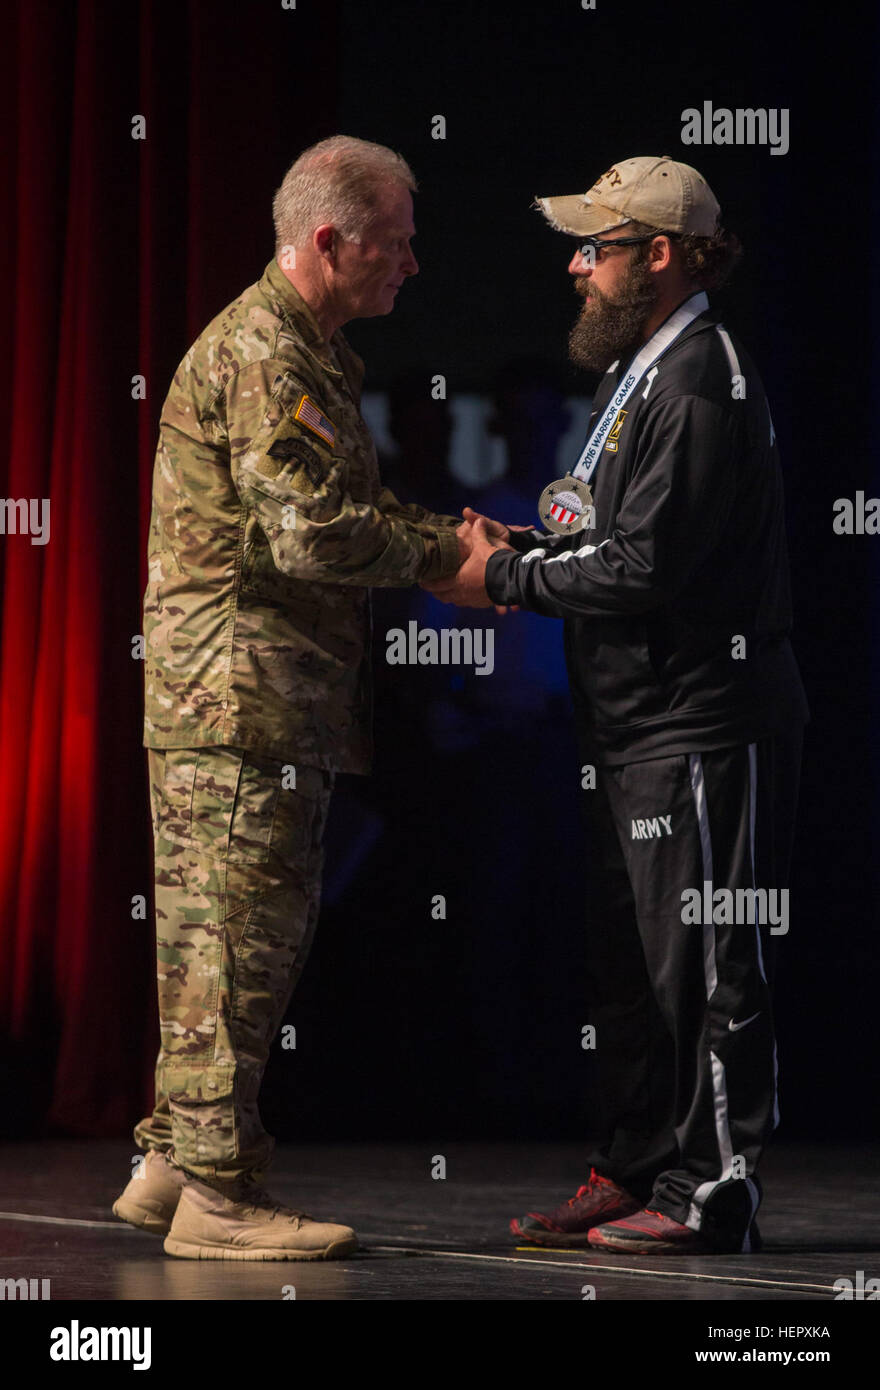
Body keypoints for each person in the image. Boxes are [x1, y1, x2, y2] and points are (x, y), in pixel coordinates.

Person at [425, 156, 809, 1254]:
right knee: (639, 973)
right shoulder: (644, 369)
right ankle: (638, 1163)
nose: (575, 265)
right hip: (638, 725)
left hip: (703, 721)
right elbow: (609, 537)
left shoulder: (695, 376)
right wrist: (529, 549)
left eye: (596, 246)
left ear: (664, 254)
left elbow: (643, 567)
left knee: (706, 961)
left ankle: (710, 1187)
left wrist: (499, 579)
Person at [112, 135, 464, 1261]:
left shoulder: (302, 350)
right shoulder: (268, 352)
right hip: (240, 704)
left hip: (247, 700)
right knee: (237, 936)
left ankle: (173, 1162)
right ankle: (217, 1199)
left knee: (218, 935)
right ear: (328, 241)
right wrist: (439, 558)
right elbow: (309, 531)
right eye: (396, 244)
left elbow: (325, 499)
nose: (411, 264)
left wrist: (441, 535)